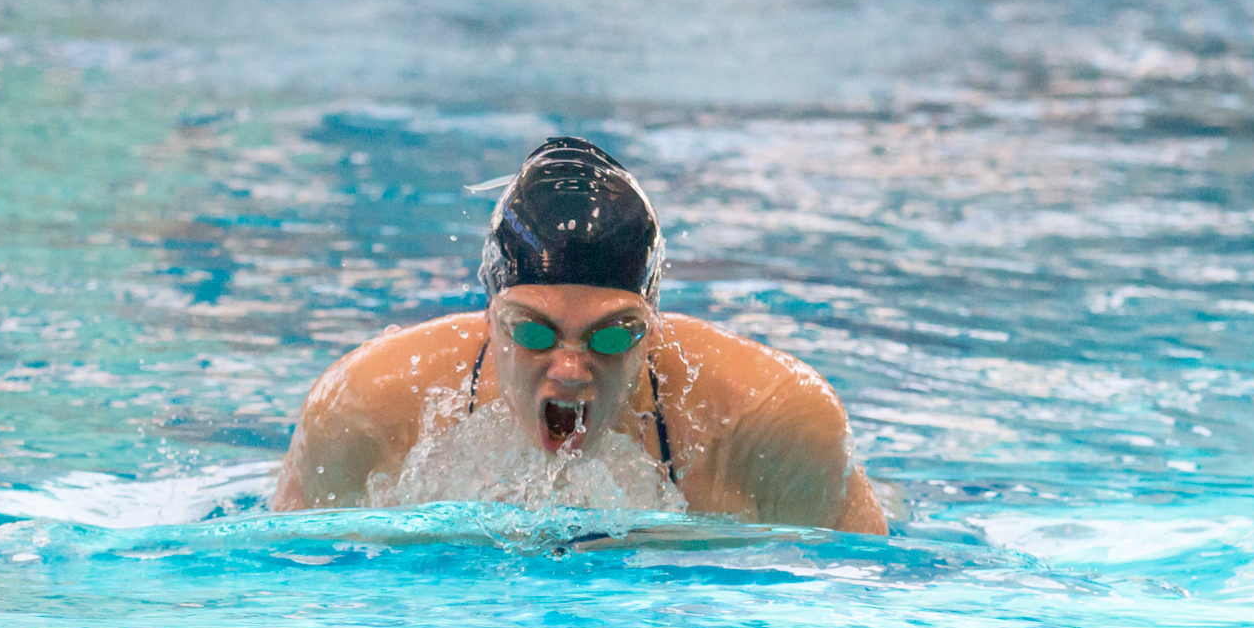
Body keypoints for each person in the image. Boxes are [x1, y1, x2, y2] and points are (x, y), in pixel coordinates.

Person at [273, 137, 887, 534]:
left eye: (612, 337)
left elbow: (859, 608)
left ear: (652, 329)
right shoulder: (368, 403)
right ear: (489, 316)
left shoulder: (770, 423)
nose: (570, 369)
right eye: (535, 333)